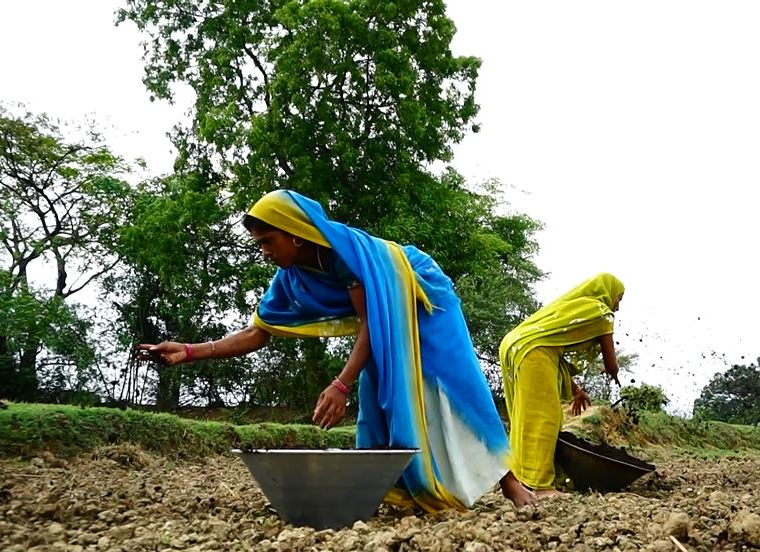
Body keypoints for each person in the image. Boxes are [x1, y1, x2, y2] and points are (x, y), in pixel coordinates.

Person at [139, 189, 535, 510]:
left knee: (452, 382)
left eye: (267, 241)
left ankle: (510, 482)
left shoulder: (343, 257)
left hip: (422, 294)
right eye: (258, 244)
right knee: (384, 386)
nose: (264, 251)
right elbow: (256, 334)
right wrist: (188, 351)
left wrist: (341, 384)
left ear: (294, 232)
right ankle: (406, 484)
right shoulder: (289, 278)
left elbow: (373, 323)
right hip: (381, 316)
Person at [499, 273, 624, 496]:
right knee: (543, 419)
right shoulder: (601, 313)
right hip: (533, 351)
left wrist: (577, 390)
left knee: (526, 417)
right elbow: (611, 363)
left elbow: (553, 352)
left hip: (517, 344)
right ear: (608, 292)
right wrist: (614, 373)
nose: (617, 306)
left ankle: (519, 477)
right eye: (619, 299)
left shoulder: (576, 307)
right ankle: (541, 485)